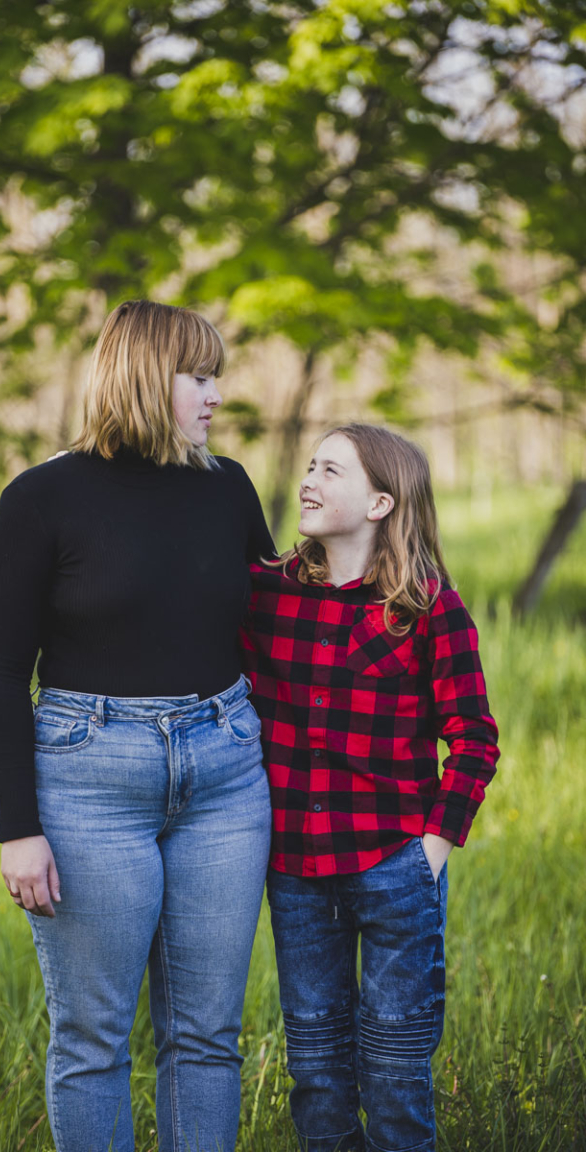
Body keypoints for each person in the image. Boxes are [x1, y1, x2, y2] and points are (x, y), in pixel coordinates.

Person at [0, 300, 274, 1152]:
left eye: (217, 375)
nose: (216, 394)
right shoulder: (41, 498)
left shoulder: (228, 486)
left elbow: (280, 622)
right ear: (146, 377)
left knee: (208, 1037)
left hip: (223, 772)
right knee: (92, 1040)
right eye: (200, 376)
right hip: (90, 780)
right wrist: (18, 829)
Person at [240, 423, 499, 1152]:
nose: (308, 480)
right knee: (317, 1069)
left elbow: (475, 736)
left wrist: (433, 852)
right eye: (310, 465)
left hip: (394, 865)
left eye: (331, 471)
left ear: (382, 502)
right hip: (295, 872)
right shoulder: (268, 594)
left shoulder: (427, 609)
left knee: (395, 1065)